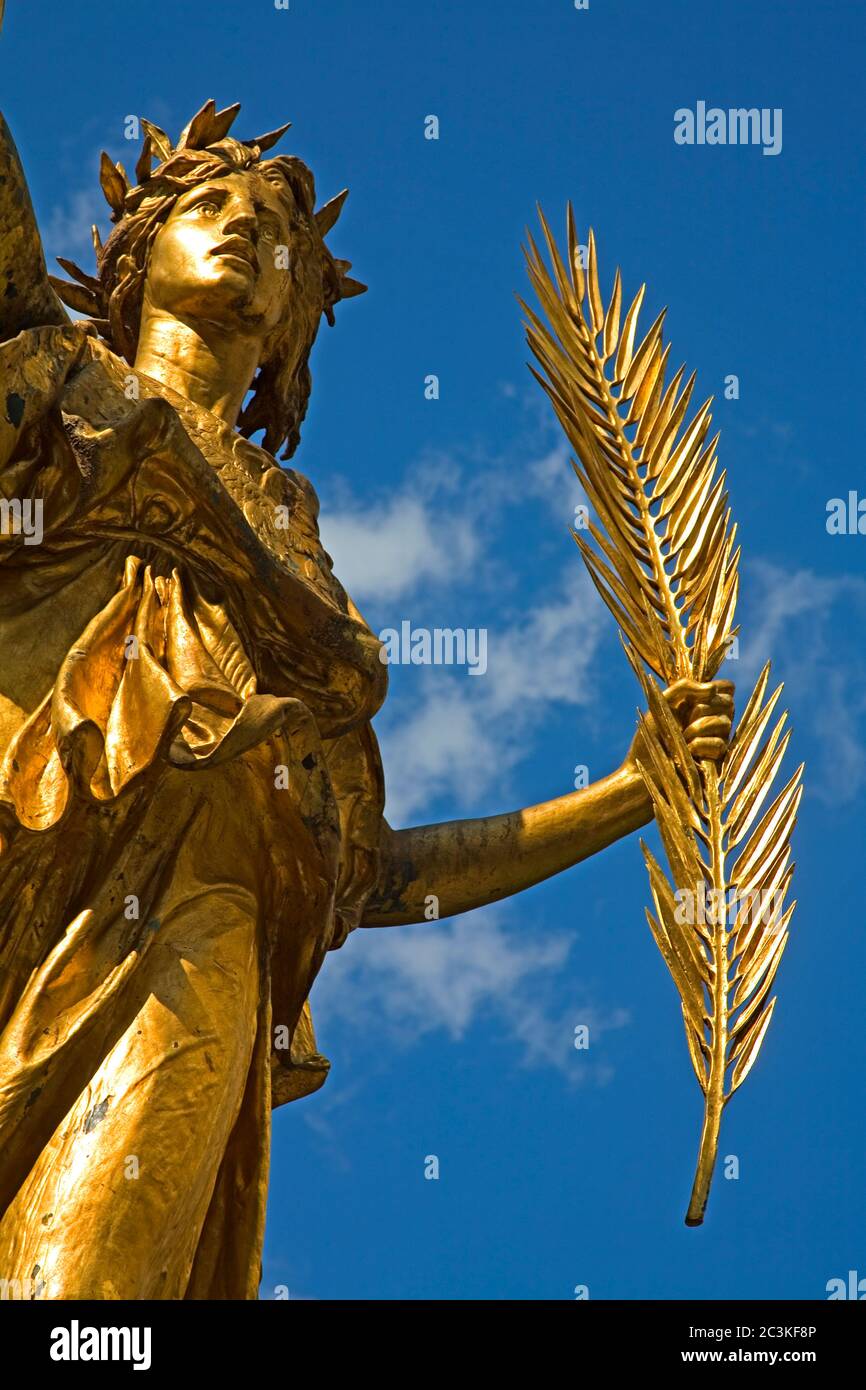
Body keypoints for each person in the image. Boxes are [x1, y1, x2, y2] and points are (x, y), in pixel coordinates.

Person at [0, 101, 733, 1298]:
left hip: (194, 930)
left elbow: (373, 873)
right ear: (135, 258)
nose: (241, 230)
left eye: (274, 230)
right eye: (207, 205)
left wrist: (626, 794)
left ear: (296, 324)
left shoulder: (297, 544)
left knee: (93, 1284)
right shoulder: (50, 381)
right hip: (21, 865)